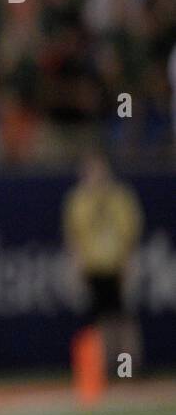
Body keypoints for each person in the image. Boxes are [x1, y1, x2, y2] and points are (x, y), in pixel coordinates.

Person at [62, 152, 143, 394]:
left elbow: (130, 233)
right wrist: (76, 269)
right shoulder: (77, 200)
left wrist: (129, 264)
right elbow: (73, 237)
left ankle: (128, 369)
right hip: (92, 267)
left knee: (122, 319)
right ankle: (104, 369)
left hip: (116, 266)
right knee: (99, 322)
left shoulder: (120, 197)